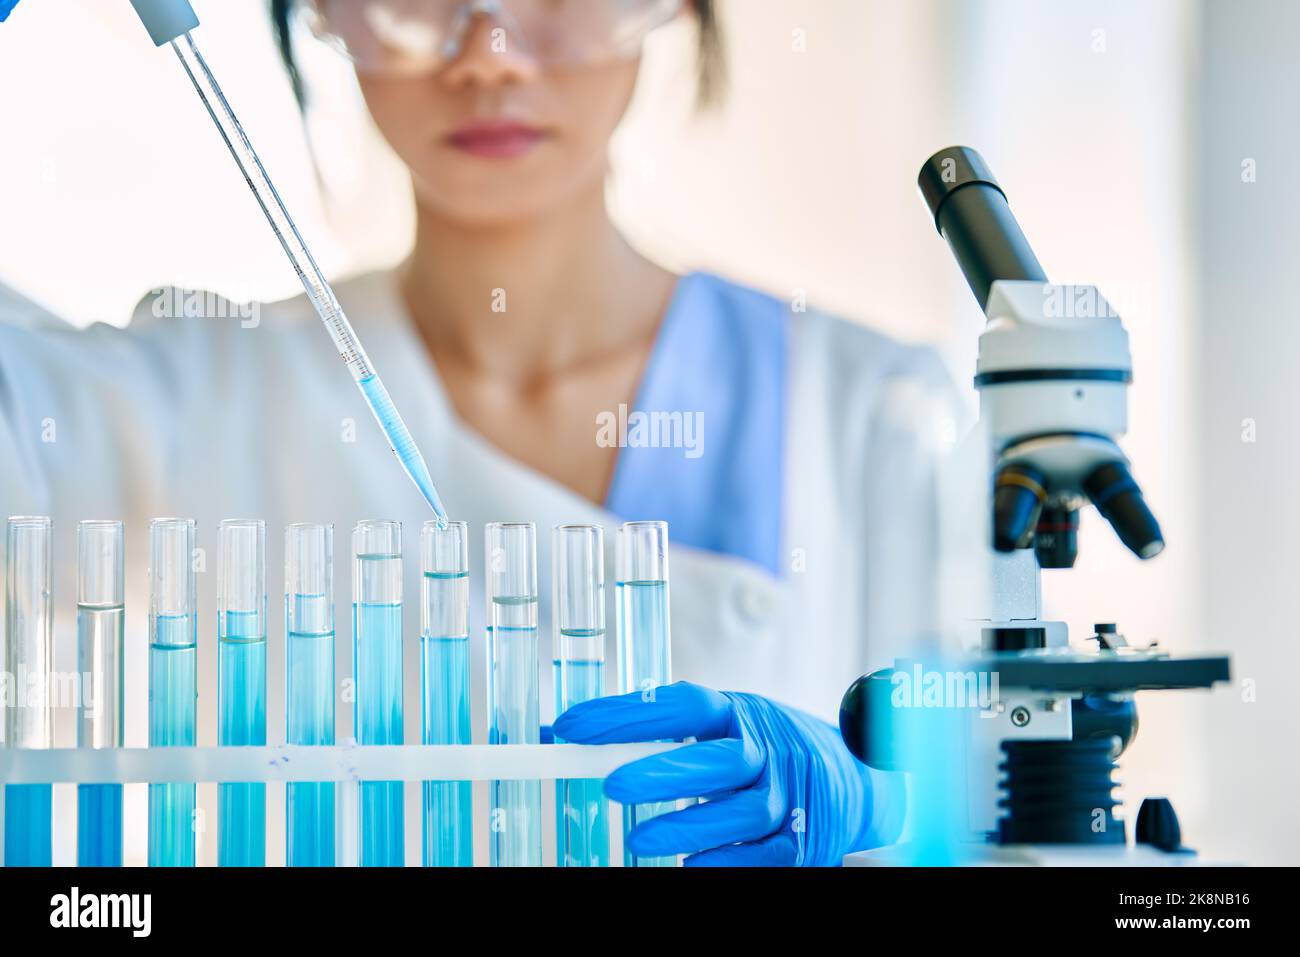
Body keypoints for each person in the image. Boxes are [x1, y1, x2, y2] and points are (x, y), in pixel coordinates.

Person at [0, 0, 957, 865]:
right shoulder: (190, 387)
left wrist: (900, 808)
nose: (490, 53)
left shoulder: (874, 413)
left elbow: (1002, 815)